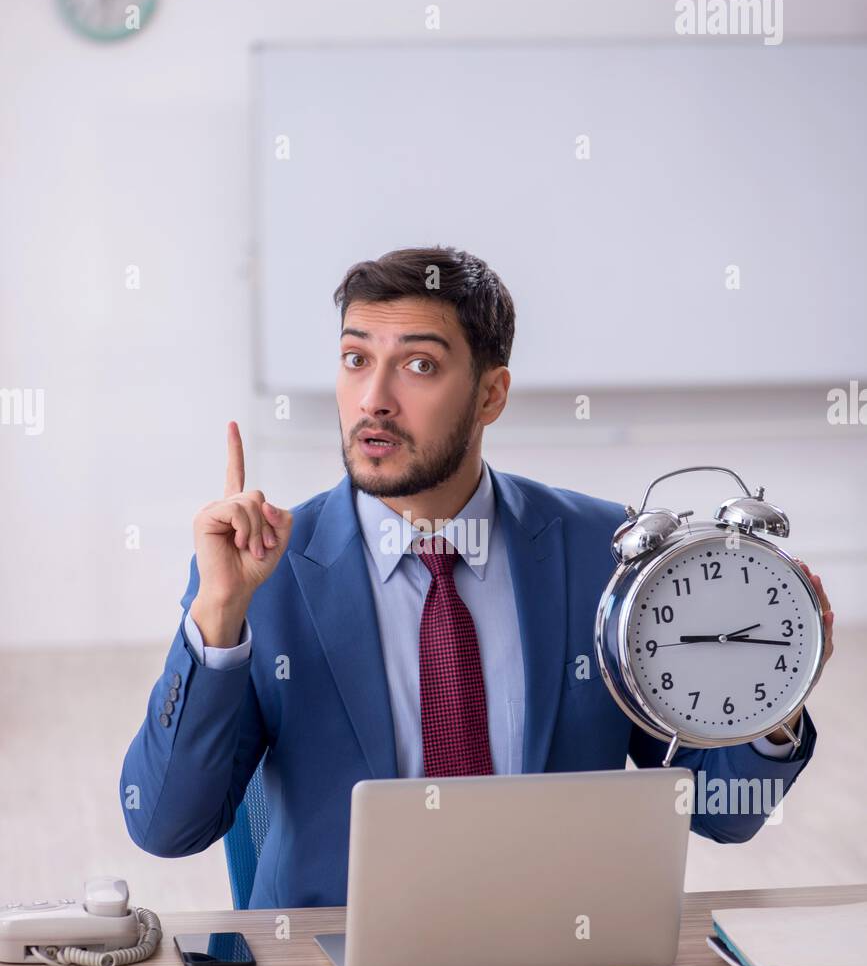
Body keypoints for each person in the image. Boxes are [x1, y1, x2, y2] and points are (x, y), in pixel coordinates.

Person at [120, 247, 834, 908]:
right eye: (353, 358)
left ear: (491, 395)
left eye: (419, 365)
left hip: (558, 956)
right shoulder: (262, 570)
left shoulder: (602, 552)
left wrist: (770, 701)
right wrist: (218, 615)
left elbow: (717, 813)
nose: (373, 399)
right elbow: (165, 827)